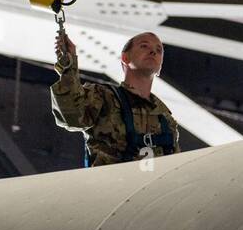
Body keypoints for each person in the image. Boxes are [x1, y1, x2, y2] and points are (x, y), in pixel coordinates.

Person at [51, 29, 180, 166]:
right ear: (125, 58)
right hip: (110, 185)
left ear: (159, 67)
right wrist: (69, 66)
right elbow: (72, 117)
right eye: (144, 46)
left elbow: (176, 168)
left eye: (159, 50)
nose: (153, 51)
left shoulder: (166, 119)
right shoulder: (103, 97)